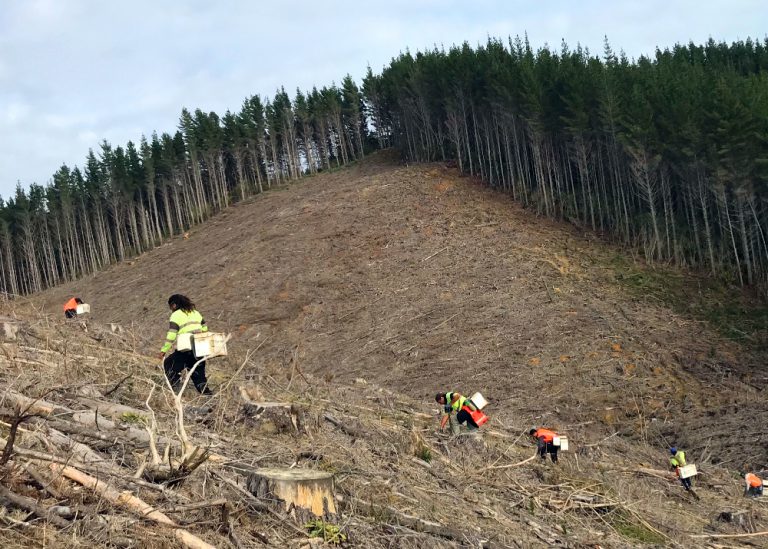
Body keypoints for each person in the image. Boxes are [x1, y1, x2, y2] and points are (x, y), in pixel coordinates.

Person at [159, 294, 212, 395]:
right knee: (199, 377)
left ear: (174, 305)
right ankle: (208, 396)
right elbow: (205, 327)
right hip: (199, 349)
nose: (171, 309)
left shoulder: (176, 315)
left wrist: (163, 350)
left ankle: (175, 391)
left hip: (186, 349)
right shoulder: (195, 312)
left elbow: (172, 334)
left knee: (169, 365)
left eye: (170, 306)